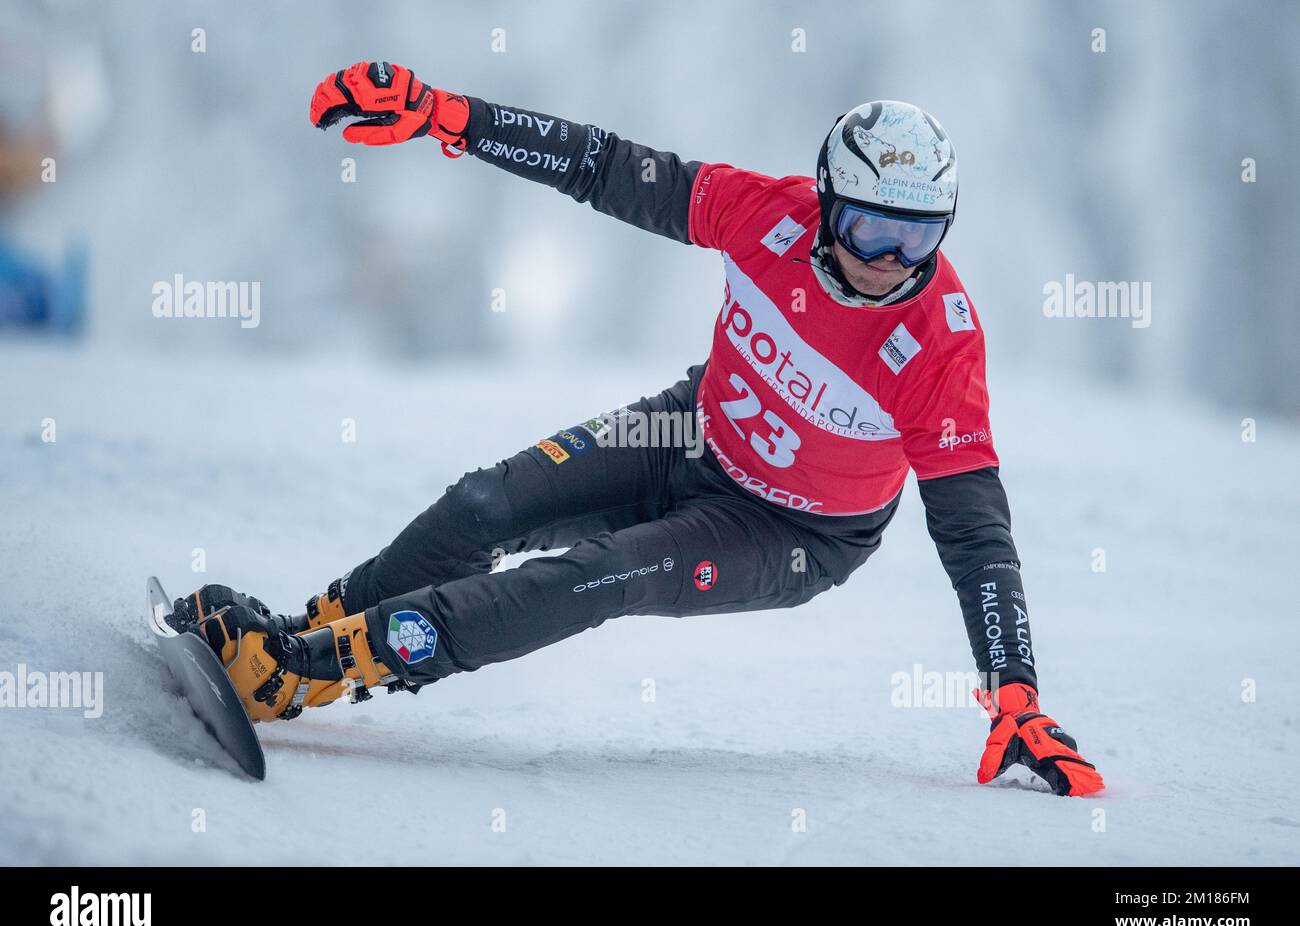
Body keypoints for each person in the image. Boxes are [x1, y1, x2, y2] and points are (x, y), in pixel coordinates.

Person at [171, 61, 1103, 797]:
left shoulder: (938, 339)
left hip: (791, 533)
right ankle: (302, 634)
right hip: (687, 434)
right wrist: (447, 116)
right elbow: (606, 166)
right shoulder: (765, 215)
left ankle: (302, 675)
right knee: (485, 503)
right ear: (825, 203)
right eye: (867, 229)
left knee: (594, 576)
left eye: (918, 238)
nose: (888, 263)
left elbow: (976, 533)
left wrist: (1015, 696)